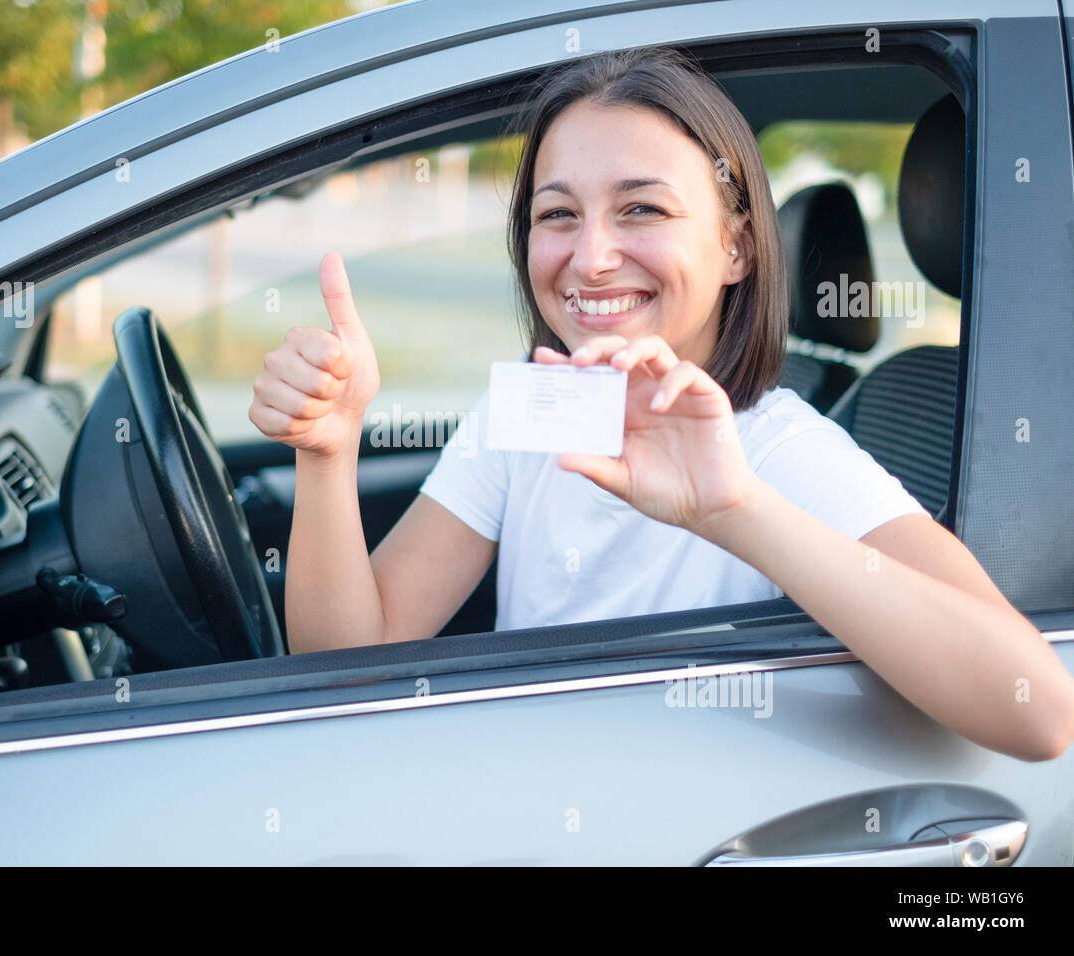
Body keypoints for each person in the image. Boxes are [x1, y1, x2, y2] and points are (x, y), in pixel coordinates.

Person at [247, 47, 1074, 761]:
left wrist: (734, 508)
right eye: (557, 215)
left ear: (737, 247)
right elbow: (348, 671)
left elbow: (1036, 708)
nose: (592, 258)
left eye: (641, 208)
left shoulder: (777, 448)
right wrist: (327, 453)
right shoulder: (529, 415)